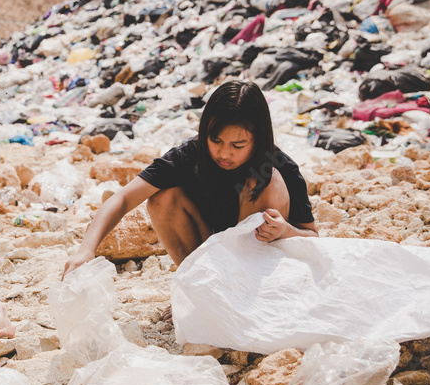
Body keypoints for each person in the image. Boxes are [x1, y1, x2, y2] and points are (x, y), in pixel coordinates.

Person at [63, 80, 318, 280]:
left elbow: (312, 237)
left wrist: (285, 230)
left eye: (238, 145)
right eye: (215, 140)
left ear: (258, 138)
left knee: (265, 180)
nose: (224, 153)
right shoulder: (191, 156)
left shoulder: (281, 167)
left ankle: (238, 292)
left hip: (261, 272)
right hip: (211, 258)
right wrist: (86, 249)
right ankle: (197, 285)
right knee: (163, 197)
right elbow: (122, 198)